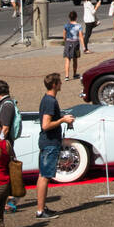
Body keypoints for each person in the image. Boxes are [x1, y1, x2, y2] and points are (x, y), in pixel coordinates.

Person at [35, 73, 75, 219]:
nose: (61, 85)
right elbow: (46, 125)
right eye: (59, 82)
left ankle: (42, 206)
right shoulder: (50, 101)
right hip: (49, 142)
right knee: (45, 176)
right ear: (54, 85)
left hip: (48, 142)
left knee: (42, 175)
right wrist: (63, 120)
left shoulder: (48, 100)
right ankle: (40, 210)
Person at [0, 79, 22, 213]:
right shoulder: (5, 103)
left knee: (5, 172)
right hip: (4, 143)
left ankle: (8, 202)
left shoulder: (6, 105)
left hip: (4, 144)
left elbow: (5, 128)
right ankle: (6, 201)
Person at [63, 10, 82, 80]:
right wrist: (84, 46)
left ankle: (67, 76)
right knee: (75, 59)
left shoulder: (66, 25)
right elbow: (80, 36)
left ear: (69, 17)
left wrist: (65, 41)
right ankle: (74, 74)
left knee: (67, 59)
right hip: (75, 43)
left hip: (68, 42)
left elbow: (64, 35)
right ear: (76, 17)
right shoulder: (78, 26)